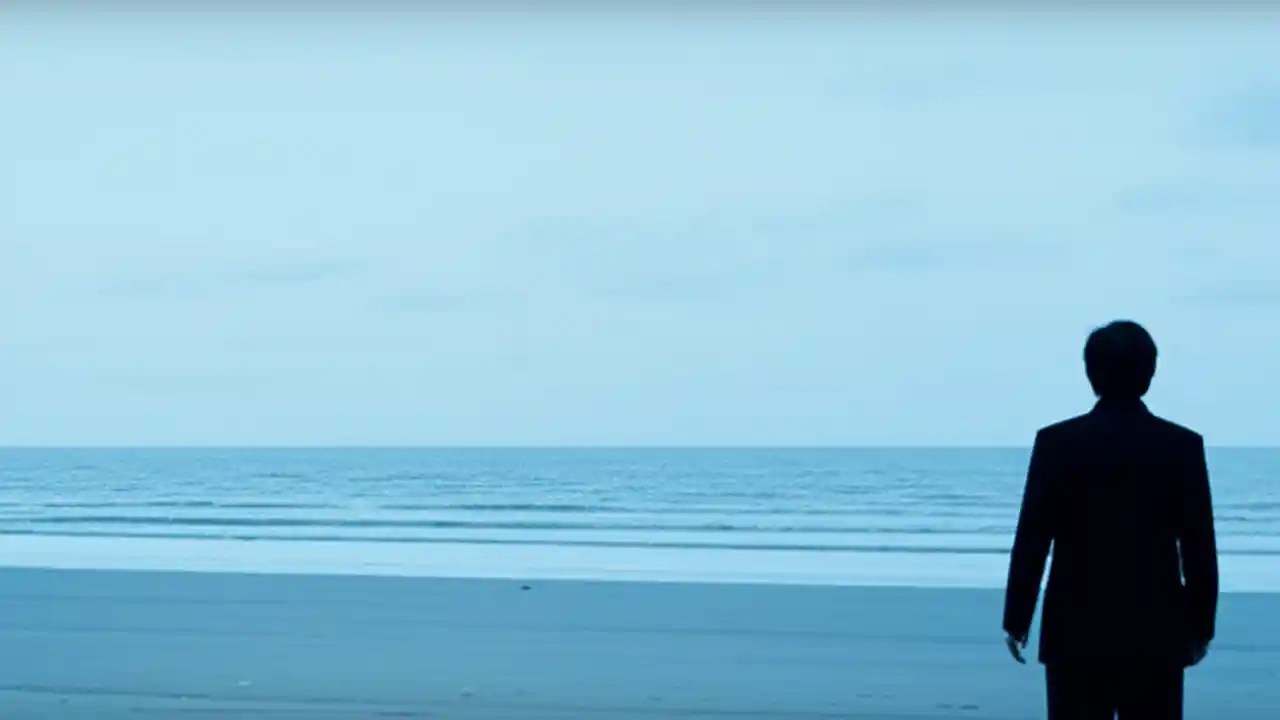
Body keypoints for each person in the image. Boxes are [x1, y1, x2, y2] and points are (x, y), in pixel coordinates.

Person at [1002, 320, 1219, 720]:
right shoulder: (1181, 446)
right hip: (1157, 630)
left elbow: (1032, 540)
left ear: (1091, 373)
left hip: (1075, 629)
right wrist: (1201, 626)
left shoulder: (1056, 443)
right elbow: (1199, 548)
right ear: (1150, 373)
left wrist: (1017, 618)